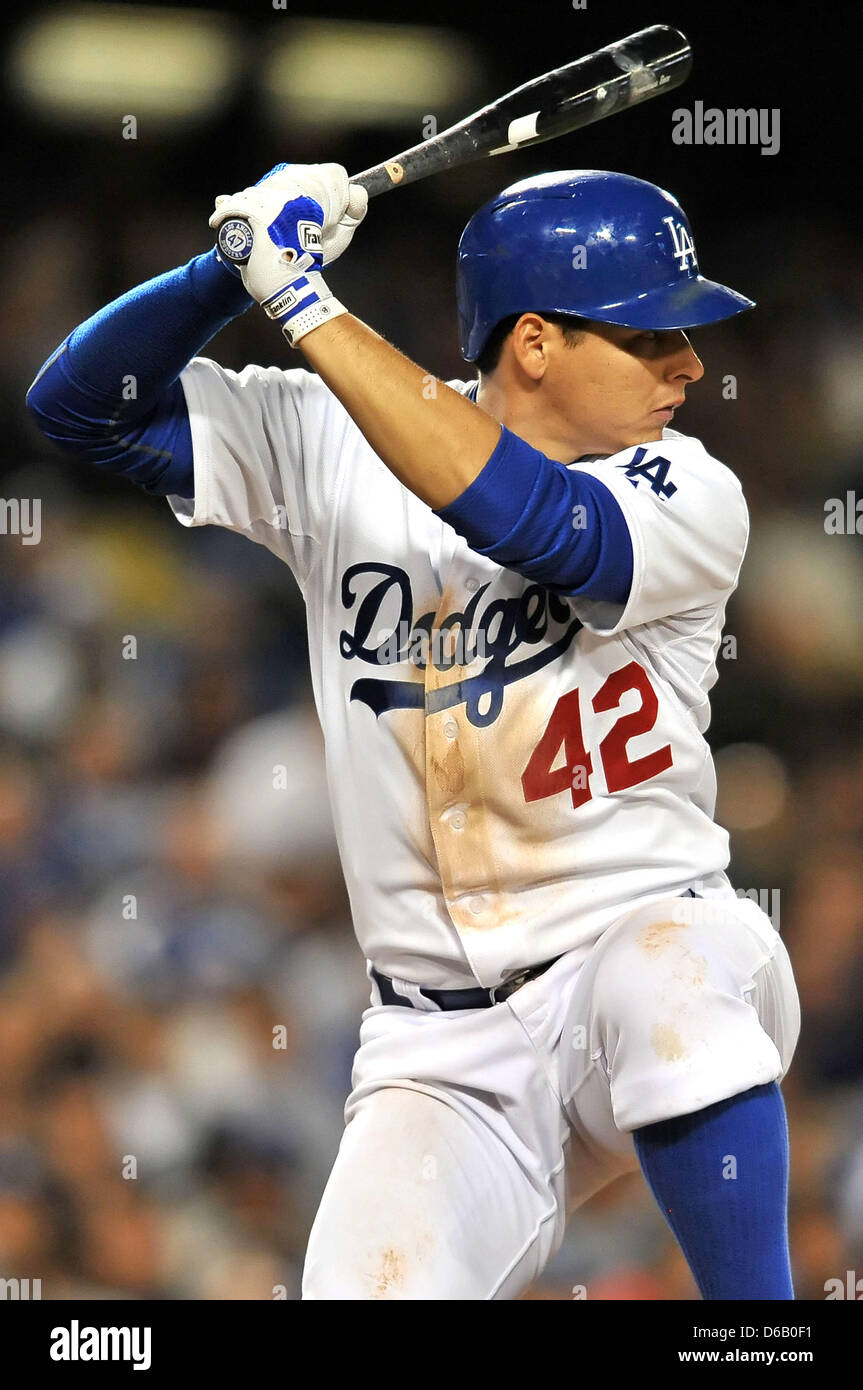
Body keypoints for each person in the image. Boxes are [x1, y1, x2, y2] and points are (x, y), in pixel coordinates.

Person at [27, 162, 801, 1300]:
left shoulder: (685, 485)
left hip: (634, 956)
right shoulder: (326, 437)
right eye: (648, 337)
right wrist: (225, 269)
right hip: (437, 1046)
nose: (687, 363)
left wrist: (306, 306)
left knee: (665, 980)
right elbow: (75, 406)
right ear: (533, 342)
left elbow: (536, 520)